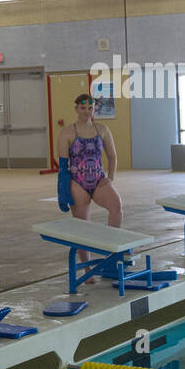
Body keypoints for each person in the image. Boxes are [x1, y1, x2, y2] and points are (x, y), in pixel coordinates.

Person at [56, 93, 123, 277]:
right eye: (83, 108)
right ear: (76, 108)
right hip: (78, 183)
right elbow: (63, 167)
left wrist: (110, 177)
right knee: (82, 226)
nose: (87, 111)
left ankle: (111, 257)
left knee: (116, 207)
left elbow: (112, 156)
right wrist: (63, 192)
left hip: (99, 179)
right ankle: (87, 270)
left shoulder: (102, 129)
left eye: (91, 108)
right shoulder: (68, 132)